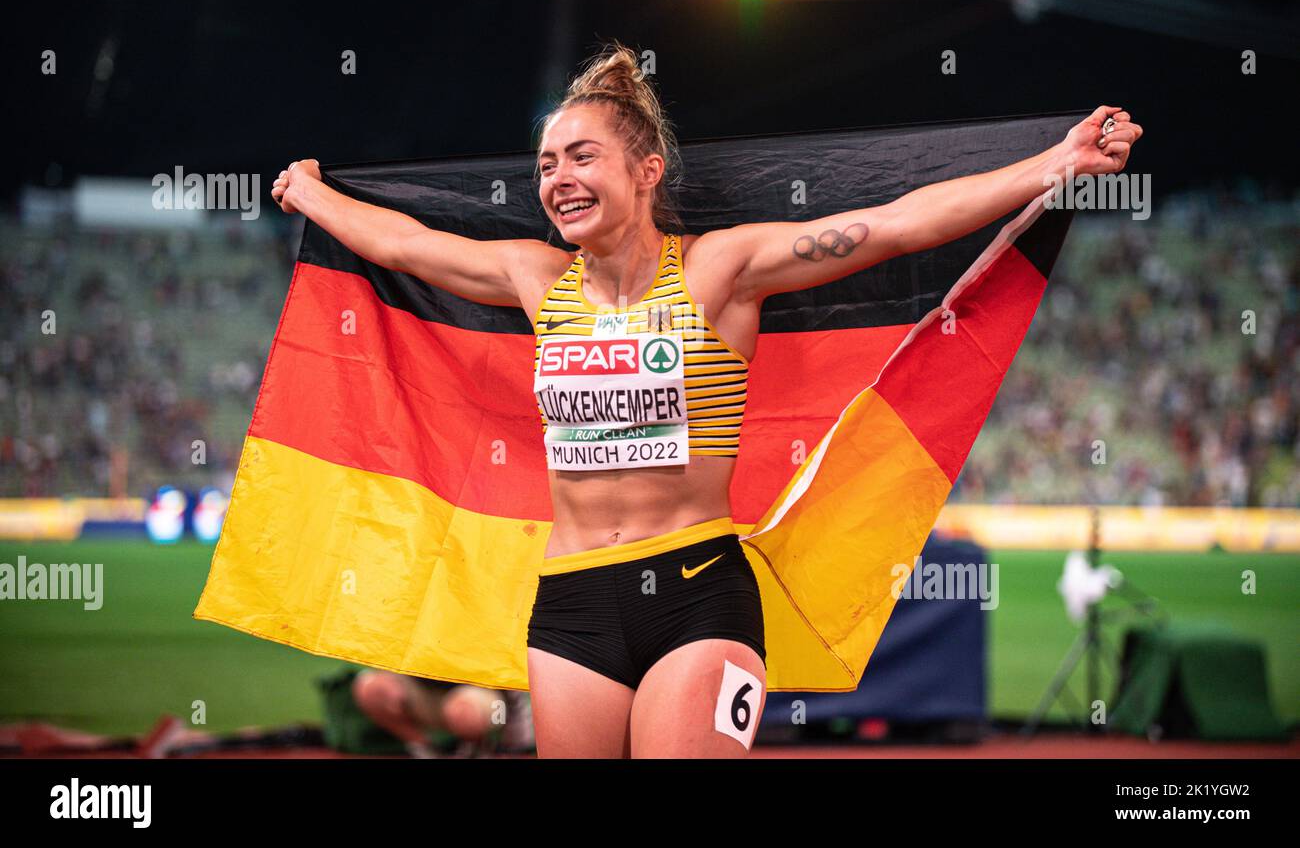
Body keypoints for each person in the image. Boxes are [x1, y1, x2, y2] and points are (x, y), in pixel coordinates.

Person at [271, 40, 1141, 758]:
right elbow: (408, 245)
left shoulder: (719, 270)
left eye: (582, 157)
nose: (559, 179)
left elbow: (896, 224)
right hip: (570, 601)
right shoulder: (534, 278)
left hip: (695, 592)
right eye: (546, 165)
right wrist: (311, 192)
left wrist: (1058, 162)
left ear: (646, 170)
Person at [351, 670, 534, 757]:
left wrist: (517, 742)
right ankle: (428, 751)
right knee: (370, 687)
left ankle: (480, 752)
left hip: (481, 697)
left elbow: (509, 683)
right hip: (424, 689)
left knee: (464, 712)